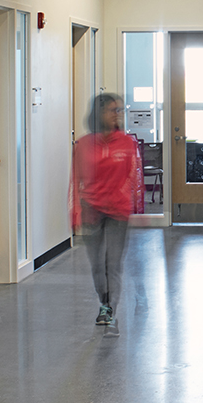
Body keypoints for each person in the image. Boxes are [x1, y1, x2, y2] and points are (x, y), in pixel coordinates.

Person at [70, 93, 142, 329]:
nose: (117, 114)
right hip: (92, 209)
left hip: (118, 211)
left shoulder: (127, 143)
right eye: (112, 110)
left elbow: (134, 176)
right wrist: (75, 212)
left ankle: (108, 307)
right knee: (97, 264)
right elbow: (75, 180)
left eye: (120, 110)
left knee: (113, 262)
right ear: (98, 113)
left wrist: (136, 205)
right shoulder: (83, 145)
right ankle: (103, 300)